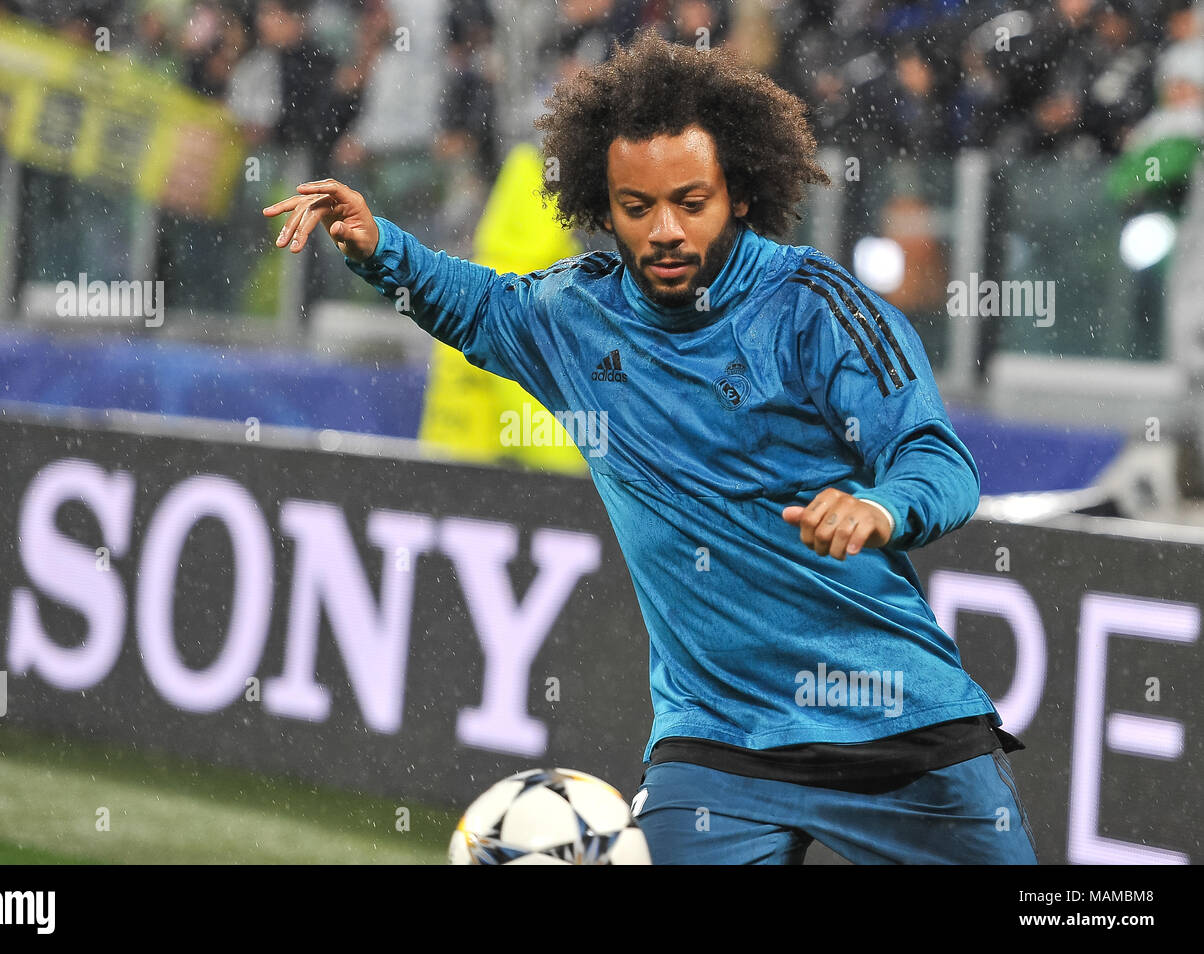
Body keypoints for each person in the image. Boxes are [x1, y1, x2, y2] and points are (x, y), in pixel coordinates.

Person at [264, 28, 1038, 865]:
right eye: (638, 208)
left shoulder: (814, 307)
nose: (665, 228)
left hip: (897, 726)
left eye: (691, 201)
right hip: (715, 744)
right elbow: (478, 305)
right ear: (605, 209)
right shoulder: (576, 317)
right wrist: (381, 249)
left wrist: (882, 507)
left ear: (739, 193)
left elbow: (939, 460)